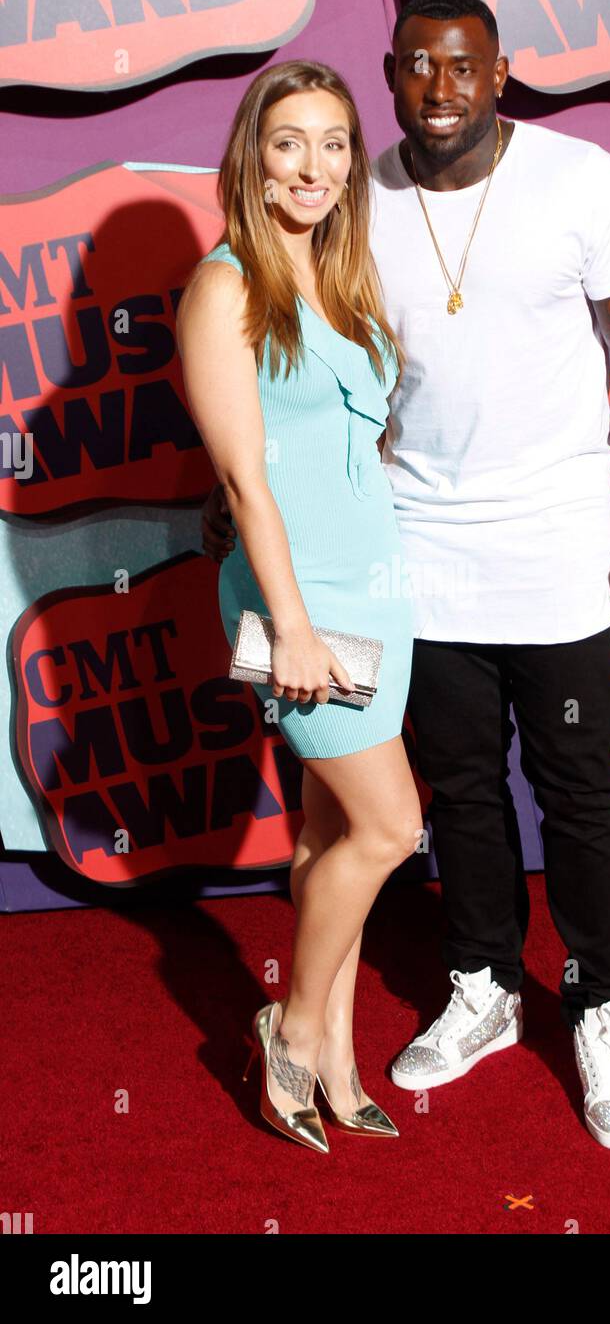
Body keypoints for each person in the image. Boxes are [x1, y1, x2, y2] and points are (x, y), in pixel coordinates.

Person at [203, 0, 610, 1151]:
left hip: (564, 551)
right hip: (415, 562)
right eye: (417, 67)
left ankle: (602, 1001)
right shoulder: (357, 199)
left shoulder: (580, 180)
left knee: (576, 789)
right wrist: (248, 535)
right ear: (391, 72)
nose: (441, 88)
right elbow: (286, 378)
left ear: (501, 72)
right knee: (456, 793)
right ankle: (482, 984)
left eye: (463, 67)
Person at [177, 60, 422, 1155]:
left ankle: (335, 1054)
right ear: (253, 154)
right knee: (389, 825)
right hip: (298, 600)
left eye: (333, 143)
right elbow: (244, 483)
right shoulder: (224, 285)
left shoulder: (345, 275)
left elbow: (349, 442)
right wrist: (295, 630)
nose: (313, 165)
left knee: (331, 831)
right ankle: (292, 1022)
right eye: (290, 141)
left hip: (376, 581)